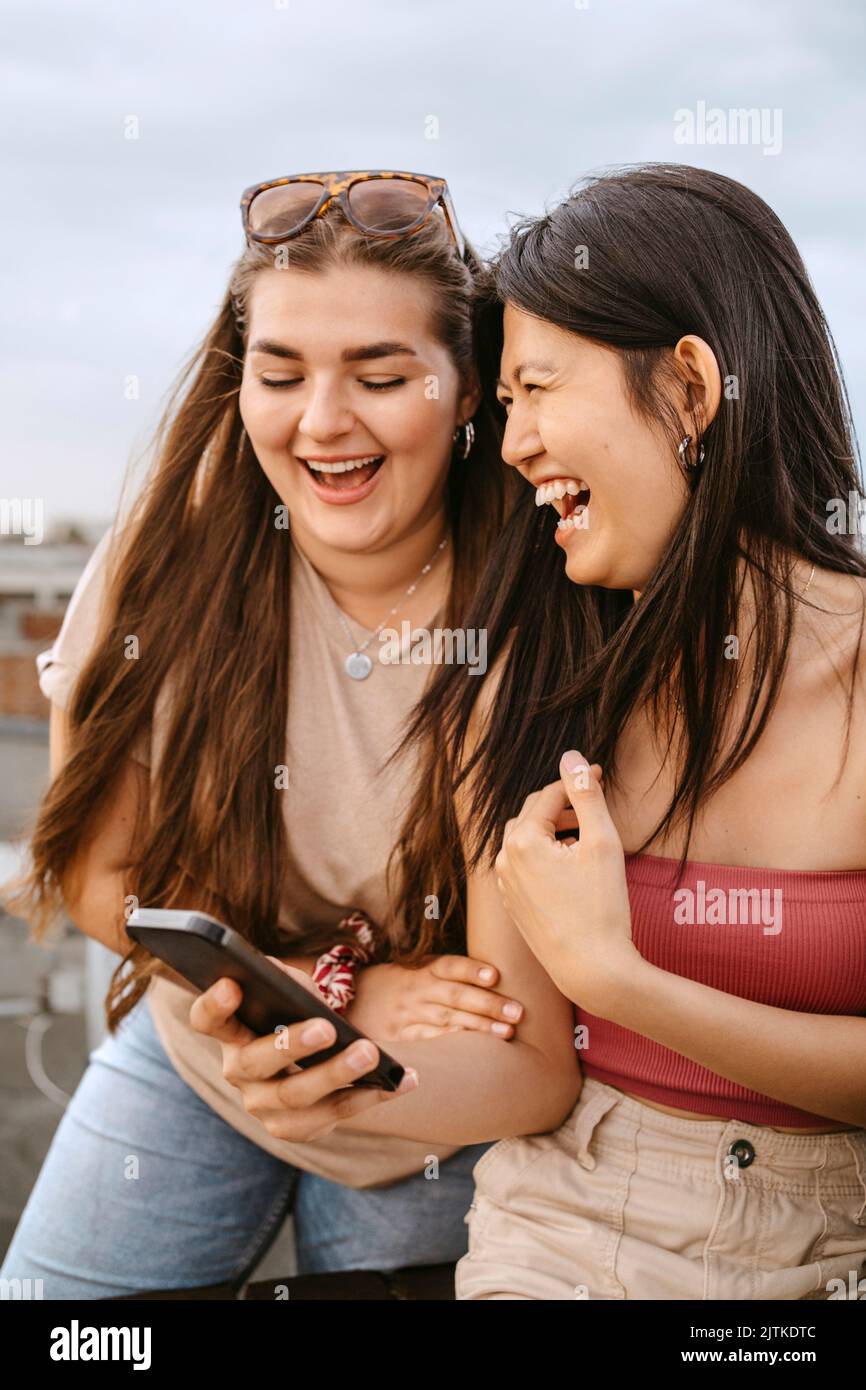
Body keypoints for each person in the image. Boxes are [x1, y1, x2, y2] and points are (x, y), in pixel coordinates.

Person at [1, 169, 530, 1298]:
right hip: (204, 1049)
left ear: (470, 385)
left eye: (381, 376)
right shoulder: (166, 561)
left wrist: (368, 1028)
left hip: (438, 1097)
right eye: (279, 374)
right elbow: (101, 871)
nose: (321, 422)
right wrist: (320, 986)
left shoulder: (543, 586)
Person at [398, 164, 866, 1300]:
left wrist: (618, 977)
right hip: (559, 1229)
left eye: (536, 388)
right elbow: (521, 1076)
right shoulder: (528, 686)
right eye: (502, 406)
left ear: (690, 388)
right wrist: (327, 1060)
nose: (511, 446)